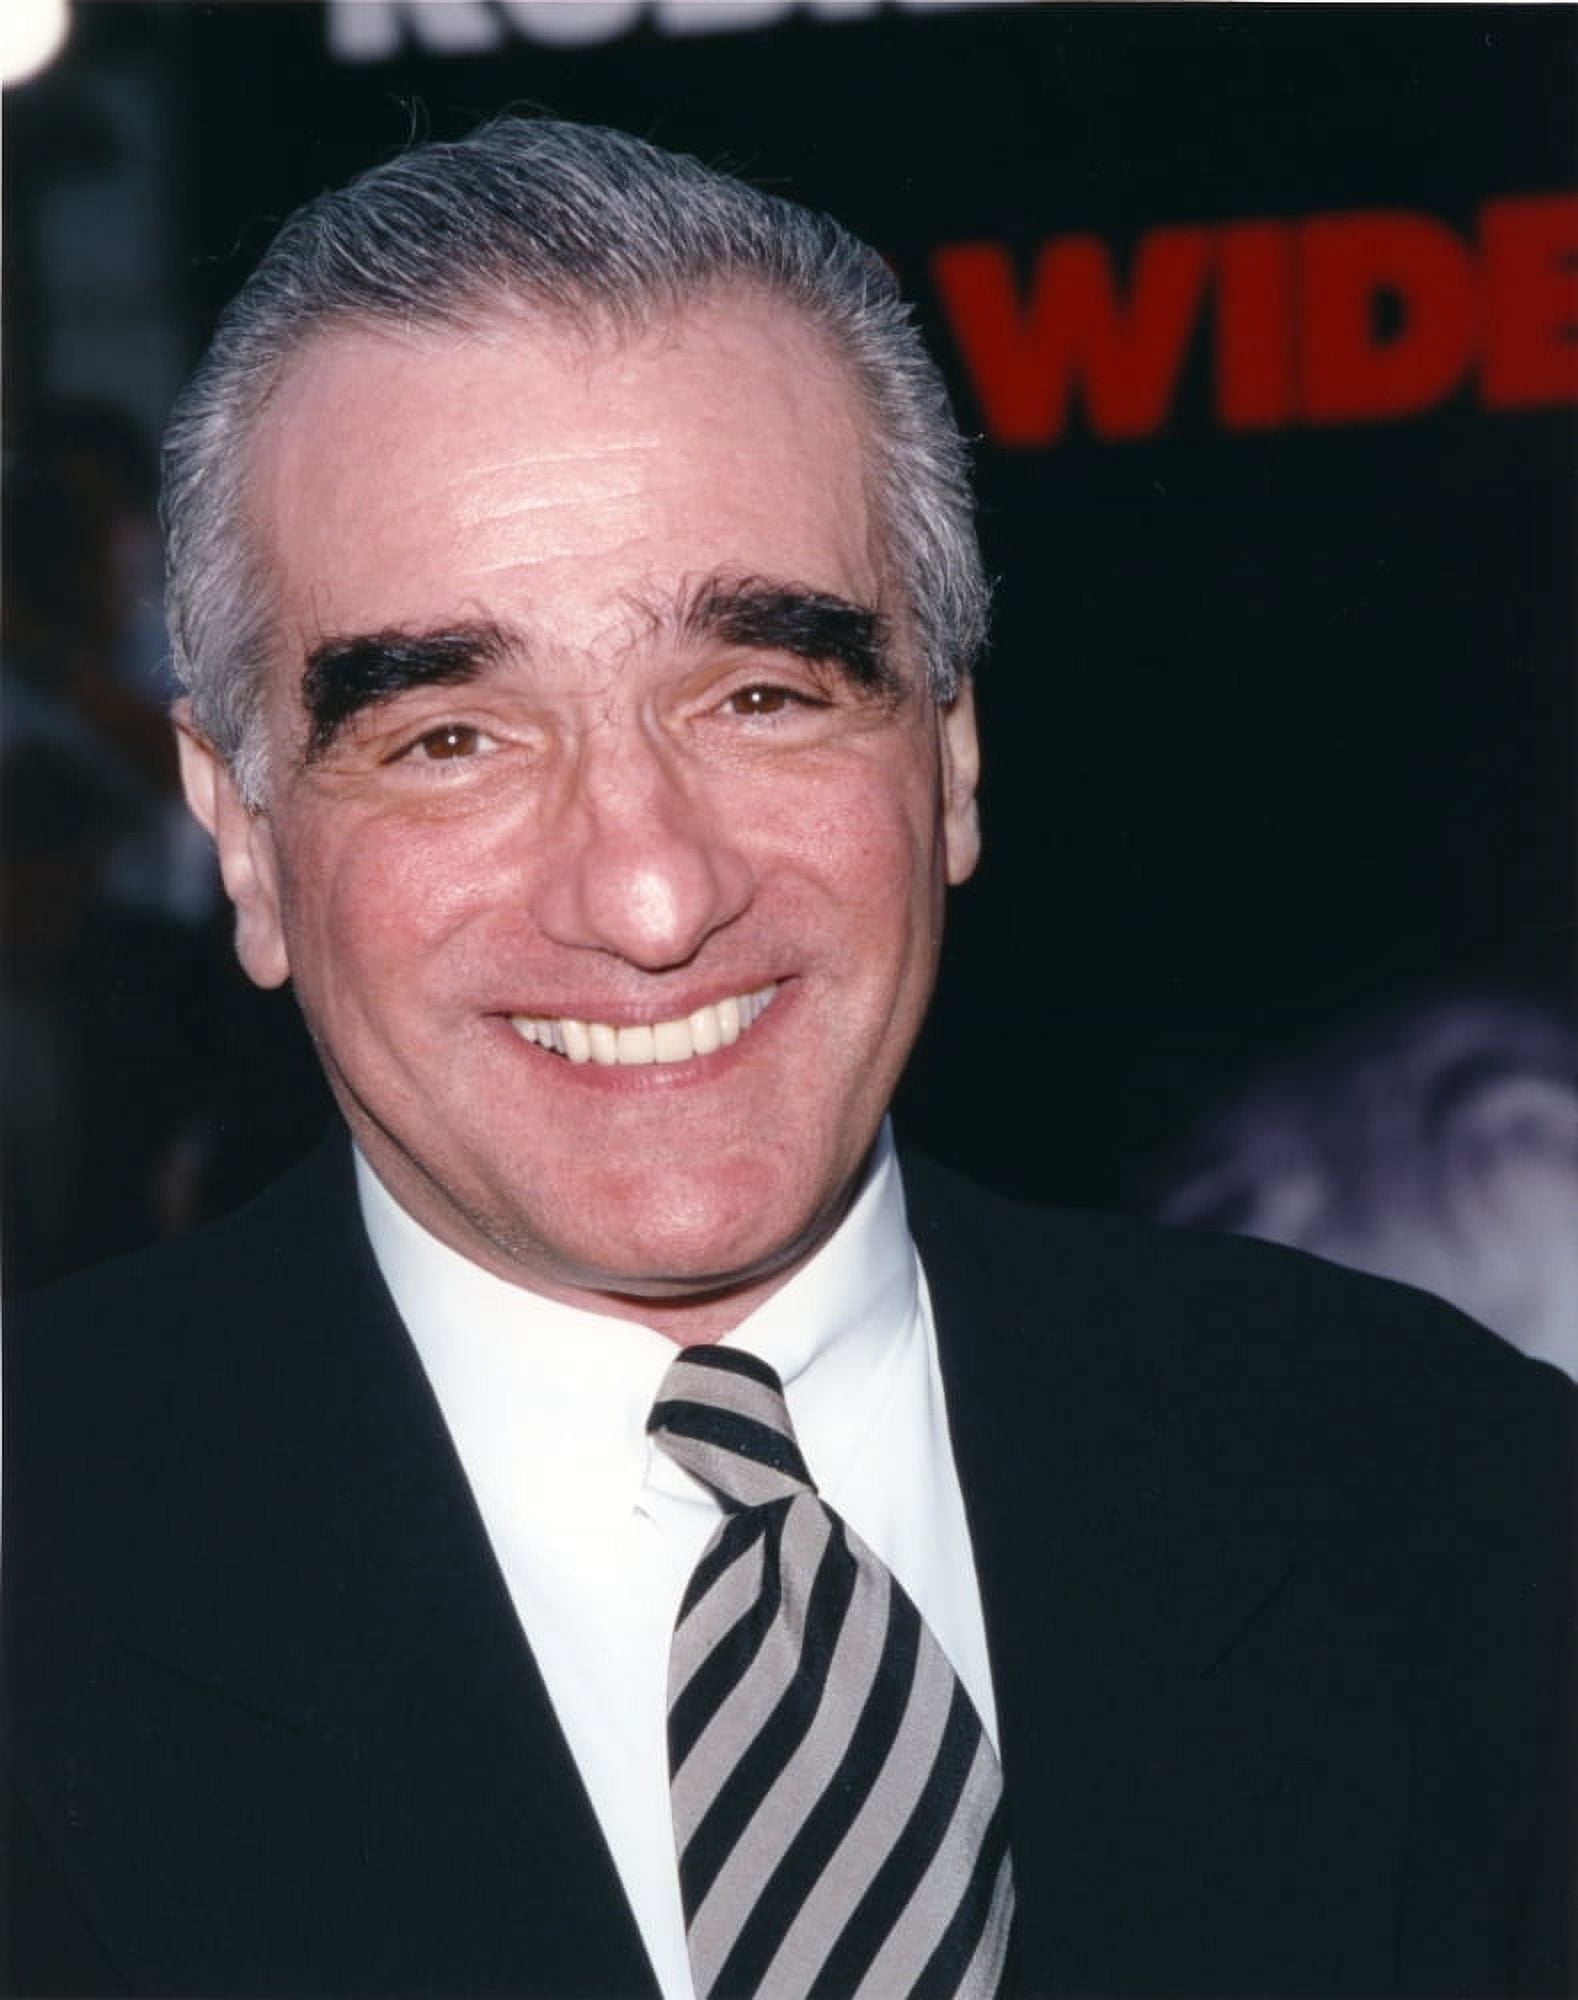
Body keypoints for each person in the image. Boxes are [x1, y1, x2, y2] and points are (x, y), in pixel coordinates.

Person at [3, 118, 1570, 2000]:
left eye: (760, 695)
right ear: (245, 837)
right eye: (452, 737)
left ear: (951, 757)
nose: (651, 892)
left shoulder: (1454, 1503)